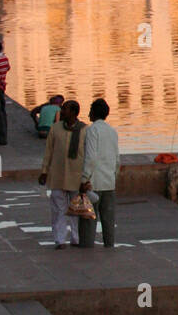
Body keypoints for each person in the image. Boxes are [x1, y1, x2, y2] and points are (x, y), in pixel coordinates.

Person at [38, 100, 86, 248]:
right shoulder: (55, 128)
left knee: (76, 210)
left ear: (73, 113)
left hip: (76, 176)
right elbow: (48, 152)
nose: (62, 111)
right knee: (58, 210)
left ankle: (76, 238)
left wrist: (87, 178)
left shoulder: (84, 130)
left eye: (65, 109)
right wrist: (44, 171)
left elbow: (89, 156)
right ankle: (60, 240)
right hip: (57, 175)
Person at [78, 98, 120, 248]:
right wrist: (114, 177)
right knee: (108, 219)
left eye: (90, 110)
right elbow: (117, 158)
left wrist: (84, 179)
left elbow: (91, 157)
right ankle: (109, 244)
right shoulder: (112, 131)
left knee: (88, 219)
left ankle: (87, 246)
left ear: (94, 113)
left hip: (93, 182)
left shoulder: (91, 130)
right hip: (109, 181)